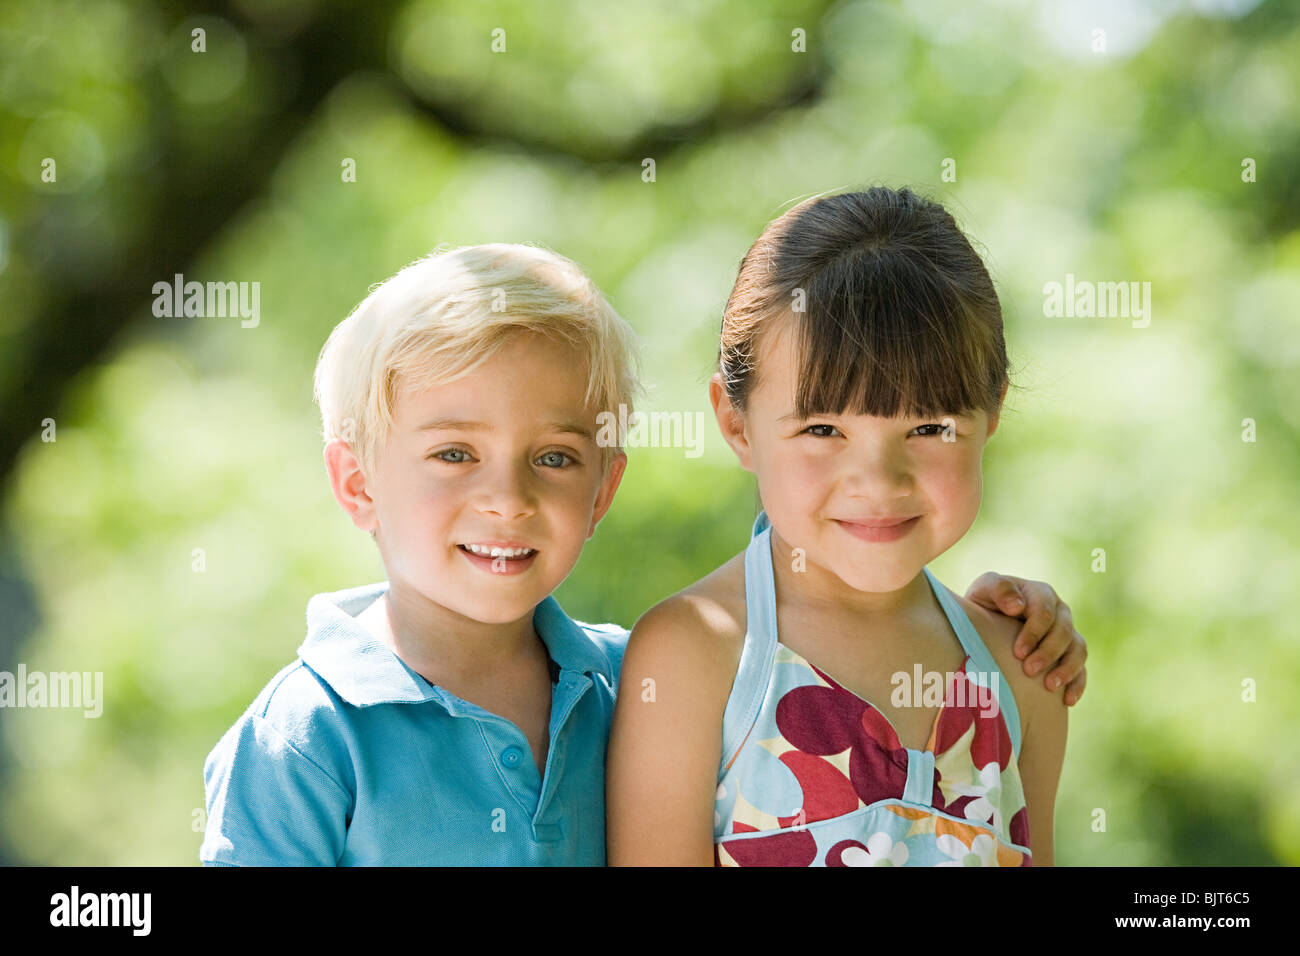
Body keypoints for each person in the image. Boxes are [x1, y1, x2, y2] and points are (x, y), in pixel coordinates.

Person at [201, 236, 1082, 866]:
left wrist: (1016, 620)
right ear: (357, 484)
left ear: (603, 492)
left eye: (554, 458)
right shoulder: (309, 737)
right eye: (453, 454)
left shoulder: (624, 684)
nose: (508, 498)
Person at [607, 187, 1072, 866]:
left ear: (991, 411)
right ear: (737, 424)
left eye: (928, 427)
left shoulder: (1022, 671)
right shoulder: (698, 656)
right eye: (822, 428)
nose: (879, 481)